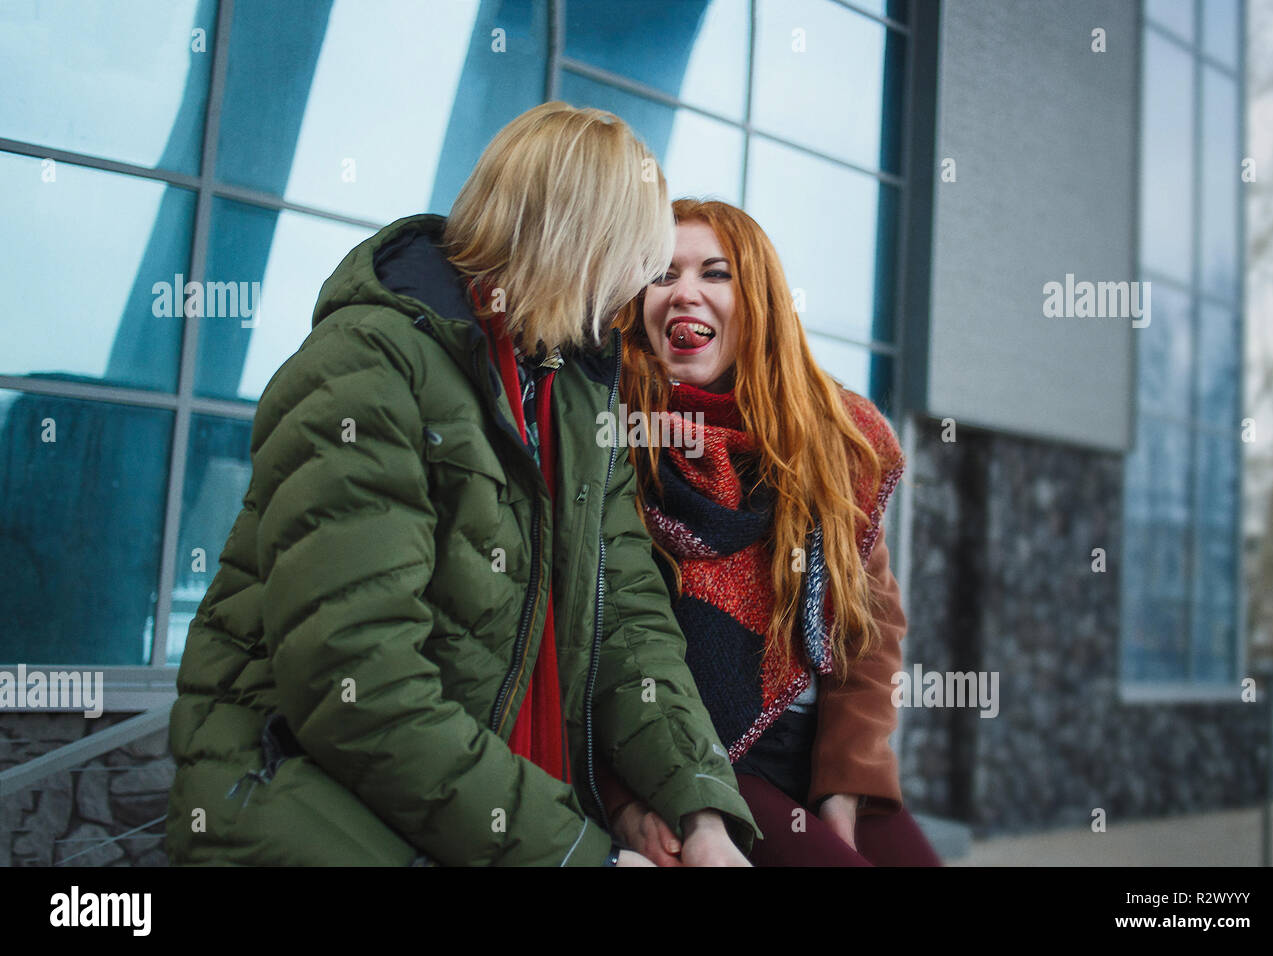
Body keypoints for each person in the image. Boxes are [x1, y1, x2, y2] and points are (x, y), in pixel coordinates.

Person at [165, 104, 761, 867]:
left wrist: (698, 805)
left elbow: (628, 625)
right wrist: (583, 856)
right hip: (304, 804)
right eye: (631, 263)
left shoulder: (576, 393)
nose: (631, 298)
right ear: (574, 245)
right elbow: (358, 679)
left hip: (493, 810)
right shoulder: (365, 368)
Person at [602, 198, 943, 866]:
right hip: (705, 757)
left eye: (715, 273)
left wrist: (845, 785)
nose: (684, 293)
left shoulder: (835, 438)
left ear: (757, 297)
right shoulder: (617, 436)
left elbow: (868, 633)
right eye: (662, 274)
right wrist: (623, 802)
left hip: (823, 750)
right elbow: (601, 645)